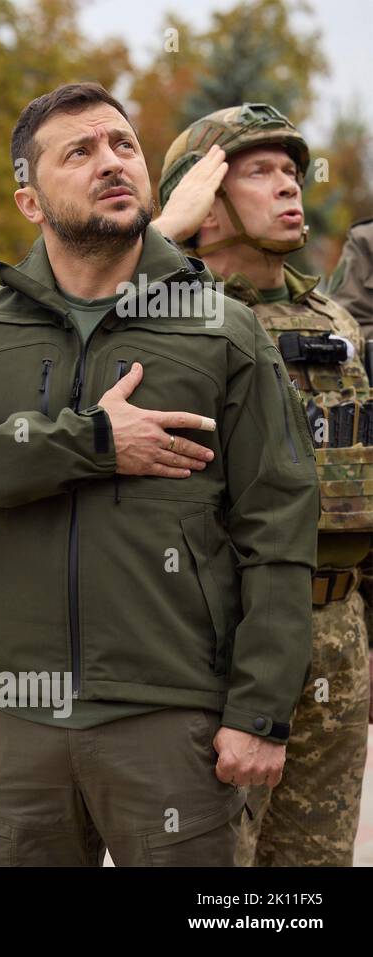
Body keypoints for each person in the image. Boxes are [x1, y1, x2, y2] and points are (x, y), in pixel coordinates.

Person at [0, 82, 319, 866]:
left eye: (123, 145)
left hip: (171, 717)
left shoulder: (221, 327)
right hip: (16, 717)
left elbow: (279, 525)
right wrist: (89, 441)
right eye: (79, 151)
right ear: (29, 198)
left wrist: (260, 711)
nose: (111, 162)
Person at [156, 103, 372, 867]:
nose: (290, 186)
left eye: (291, 170)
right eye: (260, 172)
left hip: (338, 630)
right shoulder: (168, 320)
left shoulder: (332, 318)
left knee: (317, 867)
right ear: (204, 205)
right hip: (224, 639)